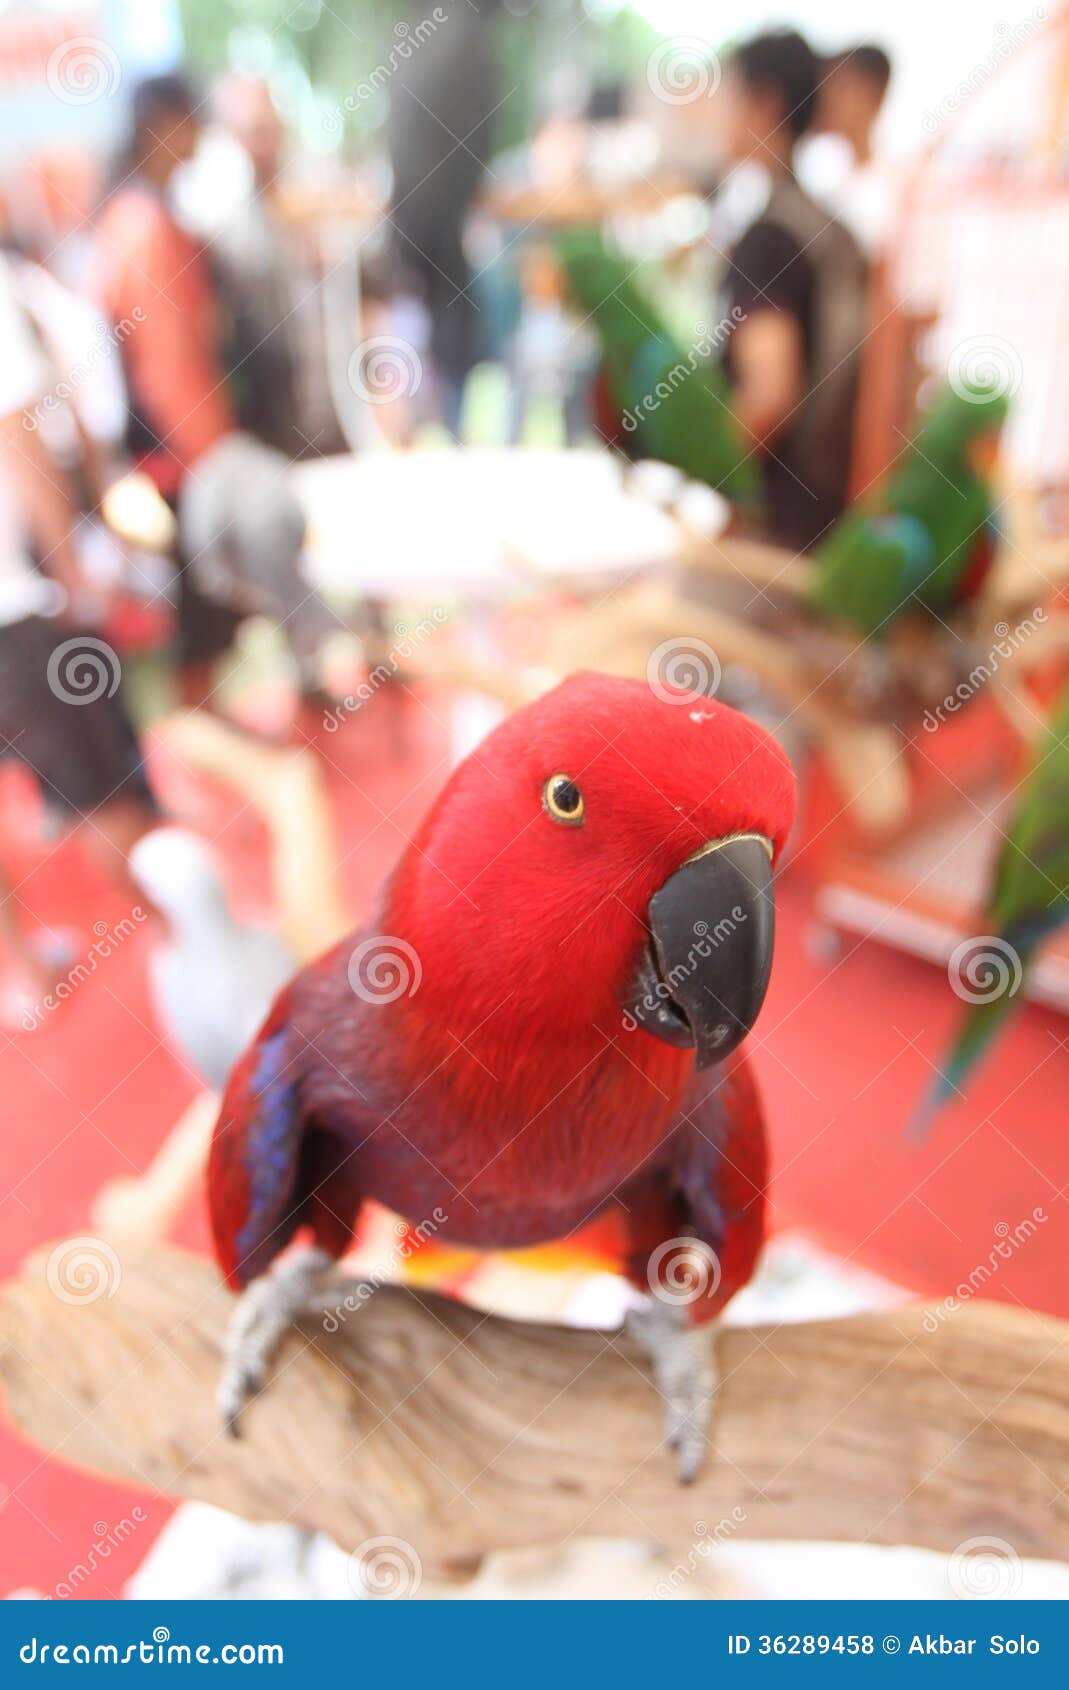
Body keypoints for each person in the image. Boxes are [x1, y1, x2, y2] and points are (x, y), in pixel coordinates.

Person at [0, 249, 158, 1018]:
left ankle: (22, 972)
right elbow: (19, 432)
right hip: (17, 605)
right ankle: (192, 939)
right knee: (102, 788)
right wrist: (71, 575)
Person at [94, 74, 242, 708]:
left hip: (176, 453)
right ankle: (208, 742)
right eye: (192, 122)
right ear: (162, 128)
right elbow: (167, 365)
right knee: (199, 634)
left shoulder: (140, 215)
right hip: (178, 460)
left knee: (204, 626)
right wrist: (218, 456)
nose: (201, 136)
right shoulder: (144, 225)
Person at [714, 29, 868, 550]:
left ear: (764, 101)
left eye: (730, 96)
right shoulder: (837, 232)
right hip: (834, 520)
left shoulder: (770, 237)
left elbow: (770, 399)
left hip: (771, 532)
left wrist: (703, 465)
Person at [805, 45, 894, 255]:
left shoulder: (895, 188)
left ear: (872, 92)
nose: (825, 96)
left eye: (840, 86)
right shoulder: (829, 185)